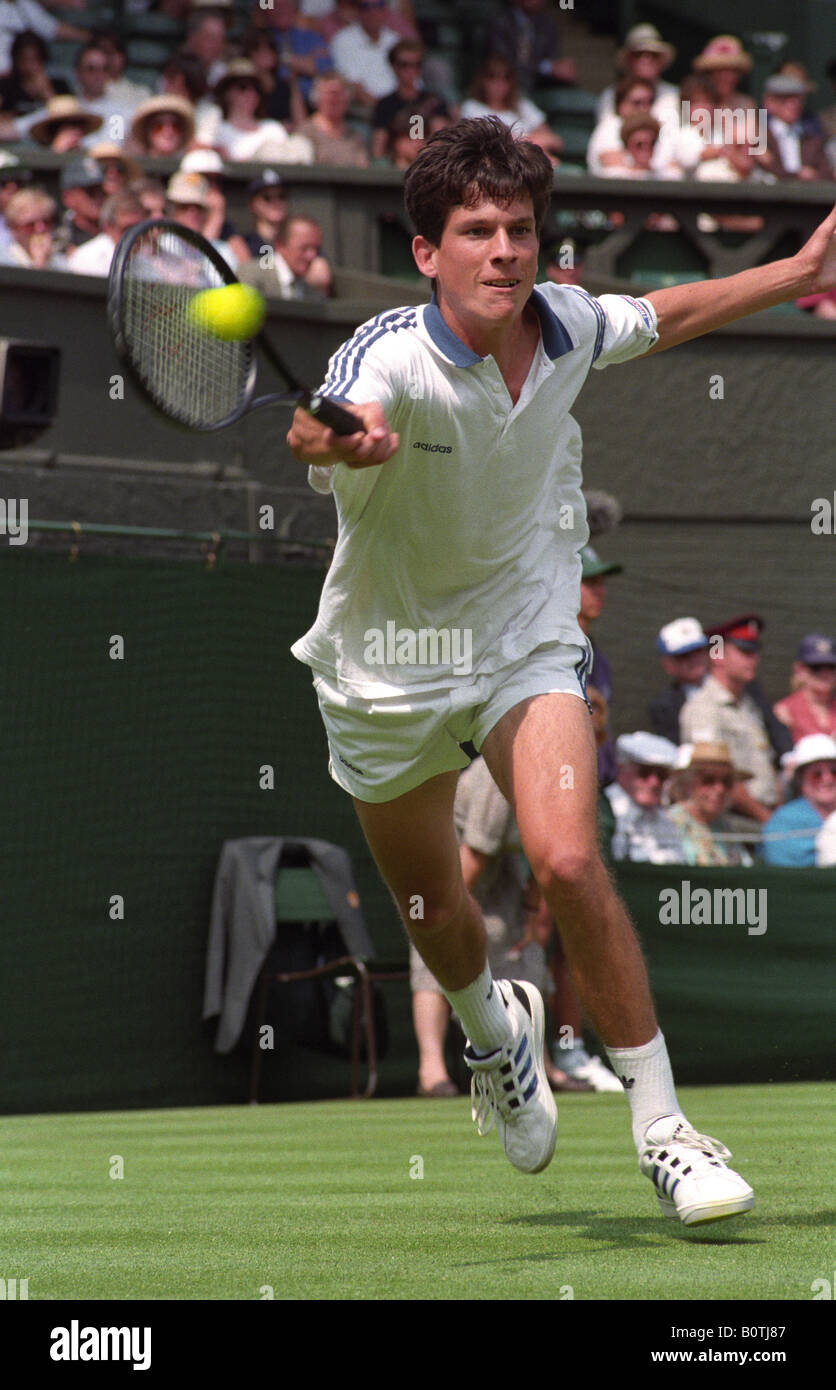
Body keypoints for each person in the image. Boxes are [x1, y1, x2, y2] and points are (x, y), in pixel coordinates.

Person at [285, 114, 836, 1226]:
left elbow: (666, 311)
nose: (504, 250)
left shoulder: (571, 322)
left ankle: (665, 1131)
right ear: (427, 252)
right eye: (476, 231)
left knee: (569, 859)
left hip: (521, 639)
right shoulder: (388, 356)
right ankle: (498, 1036)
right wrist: (344, 441)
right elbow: (318, 426)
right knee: (439, 912)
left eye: (520, 229)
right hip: (384, 667)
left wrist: (801, 269)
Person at [410, 754, 590, 1096]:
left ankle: (540, 1064)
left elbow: (548, 850)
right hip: (447, 855)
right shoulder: (498, 777)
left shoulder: (565, 778)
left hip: (500, 866)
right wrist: (449, 919)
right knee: (435, 946)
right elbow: (473, 856)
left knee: (527, 954)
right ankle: (430, 1071)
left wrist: (532, 914)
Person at [680, 616, 782, 826]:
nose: (753, 659)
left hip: (764, 818)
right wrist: (768, 820)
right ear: (717, 654)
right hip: (730, 822)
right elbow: (714, 773)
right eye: (745, 652)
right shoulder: (705, 707)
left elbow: (767, 764)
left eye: (754, 652)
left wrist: (778, 815)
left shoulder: (748, 705)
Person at [199, 59, 313, 164]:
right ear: (227, 92)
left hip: (275, 182)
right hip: (235, 184)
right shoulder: (217, 128)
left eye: (256, 88)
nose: (250, 93)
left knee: (301, 144)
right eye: (243, 87)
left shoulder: (273, 128)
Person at [668, 742, 754, 867]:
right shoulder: (671, 823)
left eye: (726, 782)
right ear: (688, 784)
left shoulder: (725, 827)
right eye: (708, 780)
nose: (719, 789)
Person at [577, 543, 620, 787]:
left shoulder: (599, 658)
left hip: (600, 786)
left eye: (602, 582)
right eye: (590, 582)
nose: (600, 591)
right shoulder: (549, 655)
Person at [606, 732, 685, 864]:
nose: (654, 782)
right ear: (622, 769)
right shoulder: (606, 811)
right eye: (645, 773)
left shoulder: (664, 819)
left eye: (661, 775)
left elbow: (679, 860)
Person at [759, 735, 836, 868]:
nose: (827, 779)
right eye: (816, 774)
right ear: (800, 780)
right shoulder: (783, 821)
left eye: (834, 772)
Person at [370, 38, 449, 162]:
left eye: (417, 65)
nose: (411, 70)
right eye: (404, 65)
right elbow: (378, 148)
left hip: (428, 164)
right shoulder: (385, 104)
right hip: (395, 165)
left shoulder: (434, 101)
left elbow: (441, 140)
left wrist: (421, 147)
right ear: (394, 66)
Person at [595, 23, 679, 126]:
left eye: (653, 54)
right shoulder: (610, 96)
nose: (646, 59)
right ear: (628, 60)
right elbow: (607, 133)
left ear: (661, 60)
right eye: (639, 54)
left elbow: (688, 132)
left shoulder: (678, 95)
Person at [486, 0, 576, 94]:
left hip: (540, 87)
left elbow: (552, 60)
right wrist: (547, 68)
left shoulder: (548, 24)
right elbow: (502, 63)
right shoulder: (499, 22)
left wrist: (560, 69)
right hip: (506, 86)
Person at [756, 74, 832, 182]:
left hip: (808, 196)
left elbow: (826, 175)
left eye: (798, 99)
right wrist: (799, 174)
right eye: (785, 98)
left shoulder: (812, 138)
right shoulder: (758, 136)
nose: (794, 104)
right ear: (769, 102)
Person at [649, 616, 710, 745]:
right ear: (668, 665)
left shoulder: (741, 687)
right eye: (684, 655)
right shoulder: (664, 707)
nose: (695, 658)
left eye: (698, 650)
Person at [461, 55, 550, 141]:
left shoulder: (522, 105)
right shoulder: (471, 107)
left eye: (506, 78)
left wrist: (524, 140)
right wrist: (532, 140)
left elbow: (554, 140)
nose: (499, 84)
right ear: (482, 80)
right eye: (493, 77)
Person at [331, 0, 400, 108]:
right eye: (366, 6)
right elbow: (353, 86)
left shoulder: (395, 40)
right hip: (365, 109)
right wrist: (384, 112)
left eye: (379, 5)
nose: (373, 11)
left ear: (386, 10)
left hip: (399, 107)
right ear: (357, 10)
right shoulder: (343, 40)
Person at [298, 71, 369, 167]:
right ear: (316, 98)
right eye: (329, 94)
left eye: (339, 94)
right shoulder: (305, 132)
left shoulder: (355, 137)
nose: (334, 99)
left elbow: (362, 168)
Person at [66, 188, 144, 274]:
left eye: (138, 229)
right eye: (127, 229)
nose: (134, 235)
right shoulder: (84, 259)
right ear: (108, 227)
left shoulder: (147, 264)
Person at [773, 635, 836, 742]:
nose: (825, 673)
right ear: (799, 670)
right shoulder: (785, 711)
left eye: (831, 667)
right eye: (816, 667)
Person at [0, 183, 65, 267]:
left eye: (46, 222)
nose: (40, 229)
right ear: (13, 229)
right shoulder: (4, 261)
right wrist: (38, 264)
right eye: (30, 225)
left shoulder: (62, 263)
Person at [128, 94, 195, 158]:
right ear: (147, 131)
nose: (168, 132)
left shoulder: (193, 166)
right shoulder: (135, 166)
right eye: (159, 126)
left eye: (175, 126)